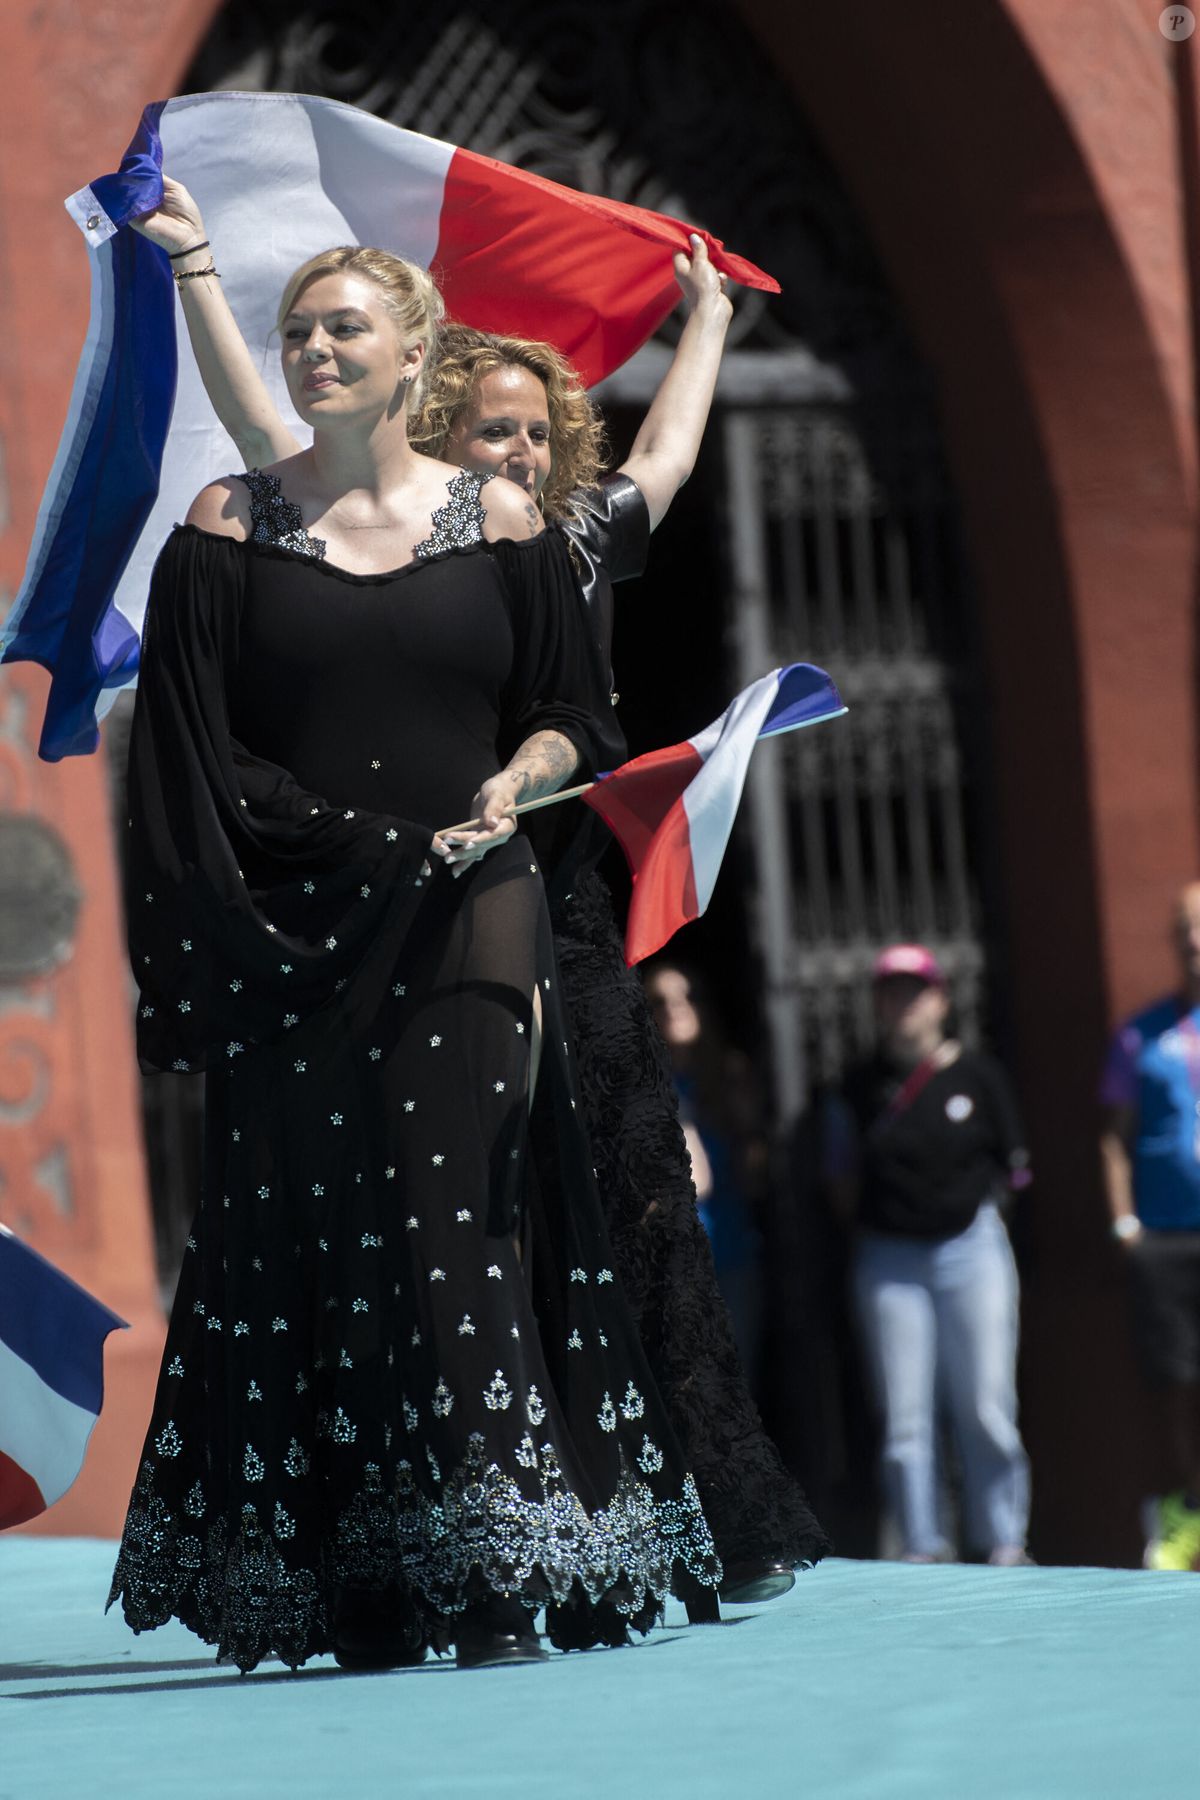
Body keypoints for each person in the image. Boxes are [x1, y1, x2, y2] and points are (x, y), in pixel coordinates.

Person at [126, 179, 829, 1607]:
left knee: (562, 1211)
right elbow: (267, 446)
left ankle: (577, 1531)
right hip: (327, 908)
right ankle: (384, 1553)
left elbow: (669, 476)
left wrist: (698, 322)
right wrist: (197, 269)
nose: (317, 351)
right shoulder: (277, 512)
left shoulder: (535, 528)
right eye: (300, 329)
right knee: (350, 1213)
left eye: (346, 329)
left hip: (517, 903)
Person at [823, 945, 1032, 1564]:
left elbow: (1013, 1173)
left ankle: (1004, 1539)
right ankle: (922, 1544)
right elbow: (839, 1175)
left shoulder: (980, 1076)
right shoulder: (855, 1087)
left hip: (972, 1249)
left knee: (987, 1403)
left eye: (916, 990)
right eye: (891, 991)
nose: (904, 1003)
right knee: (905, 1417)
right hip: (891, 1261)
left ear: (940, 998)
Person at [1100, 882, 1200, 1573]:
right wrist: (1125, 1224)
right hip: (1164, 1237)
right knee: (1180, 1383)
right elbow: (1112, 1136)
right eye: (1186, 931)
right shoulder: (1141, 1035)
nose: (1195, 943)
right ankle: (1192, 1511)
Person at [644, 962, 767, 1386]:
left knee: (735, 1381)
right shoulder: (643, 1089)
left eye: (686, 996)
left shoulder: (730, 1078)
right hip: (676, 1263)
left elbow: (753, 1176)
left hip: (732, 1255)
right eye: (660, 1001)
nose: (675, 1008)